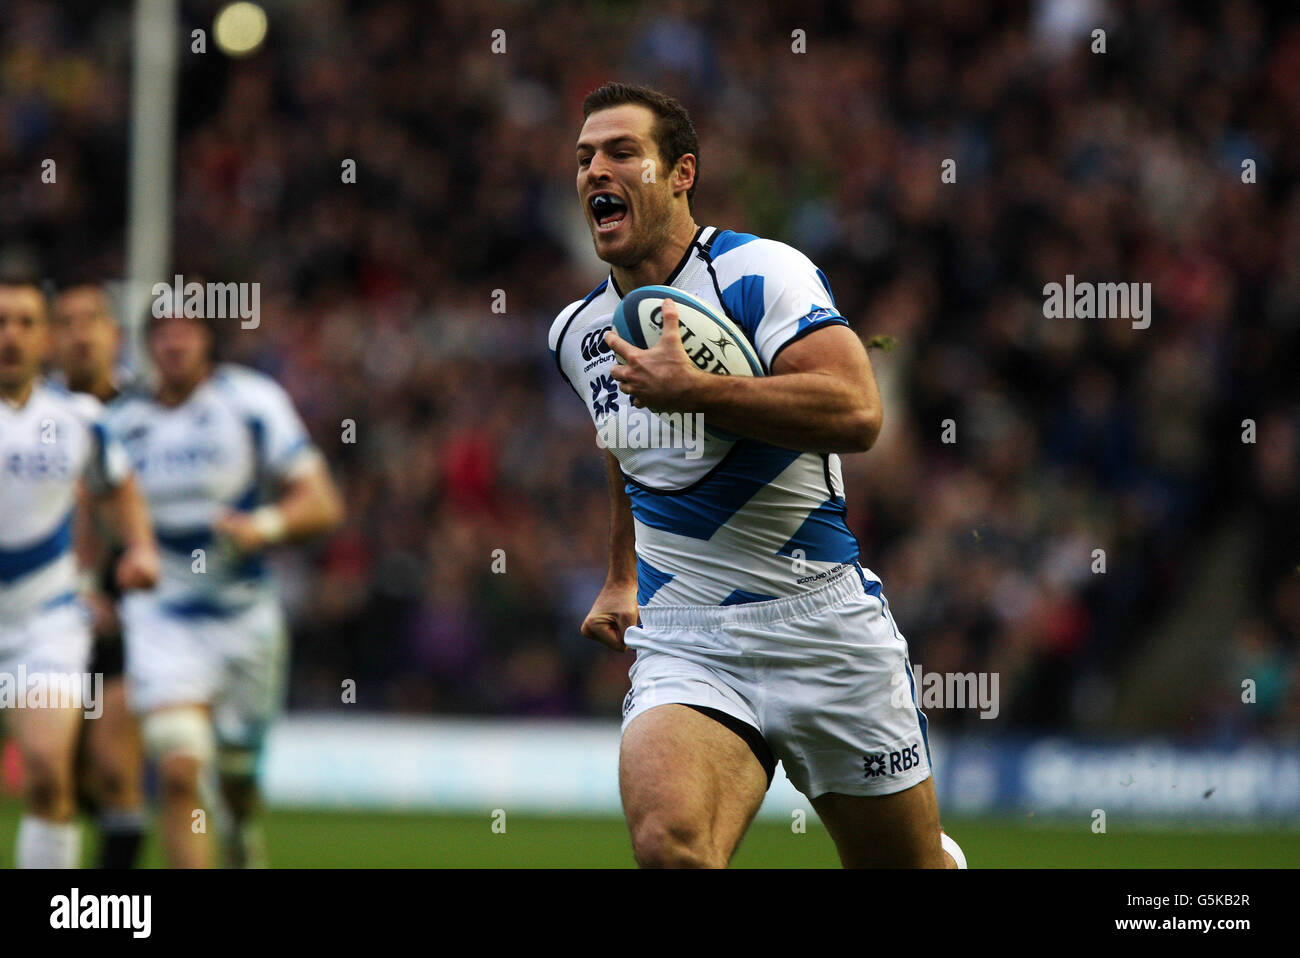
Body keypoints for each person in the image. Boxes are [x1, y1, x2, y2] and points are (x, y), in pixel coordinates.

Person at [549, 83, 967, 868]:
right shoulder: (575, 332)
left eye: (620, 153)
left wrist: (697, 391)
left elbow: (857, 411)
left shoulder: (763, 274)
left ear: (681, 174)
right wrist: (619, 573)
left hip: (822, 627)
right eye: (582, 159)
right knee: (670, 847)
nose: (594, 171)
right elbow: (620, 442)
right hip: (687, 638)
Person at [106, 301, 344, 867]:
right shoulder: (121, 422)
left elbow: (324, 503)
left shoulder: (251, 402)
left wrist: (265, 526)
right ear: (147, 345)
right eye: (161, 332)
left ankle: (238, 827)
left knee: (237, 775)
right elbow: (89, 504)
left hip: (244, 617)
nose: (174, 343)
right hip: (162, 616)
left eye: (186, 330)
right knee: (180, 768)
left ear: (209, 339)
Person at [0, 278, 159, 868]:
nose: (10, 336)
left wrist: (140, 547)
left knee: (46, 774)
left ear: (45, 339)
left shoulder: (78, 419)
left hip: (44, 622)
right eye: (0, 322)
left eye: (24, 322)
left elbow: (119, 487)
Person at [50, 282, 149, 867]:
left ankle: (112, 912)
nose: (81, 334)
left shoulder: (143, 417)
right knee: (61, 774)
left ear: (115, 335)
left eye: (92, 321)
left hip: (129, 617)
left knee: (114, 771)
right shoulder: (33, 418)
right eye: (67, 322)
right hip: (48, 613)